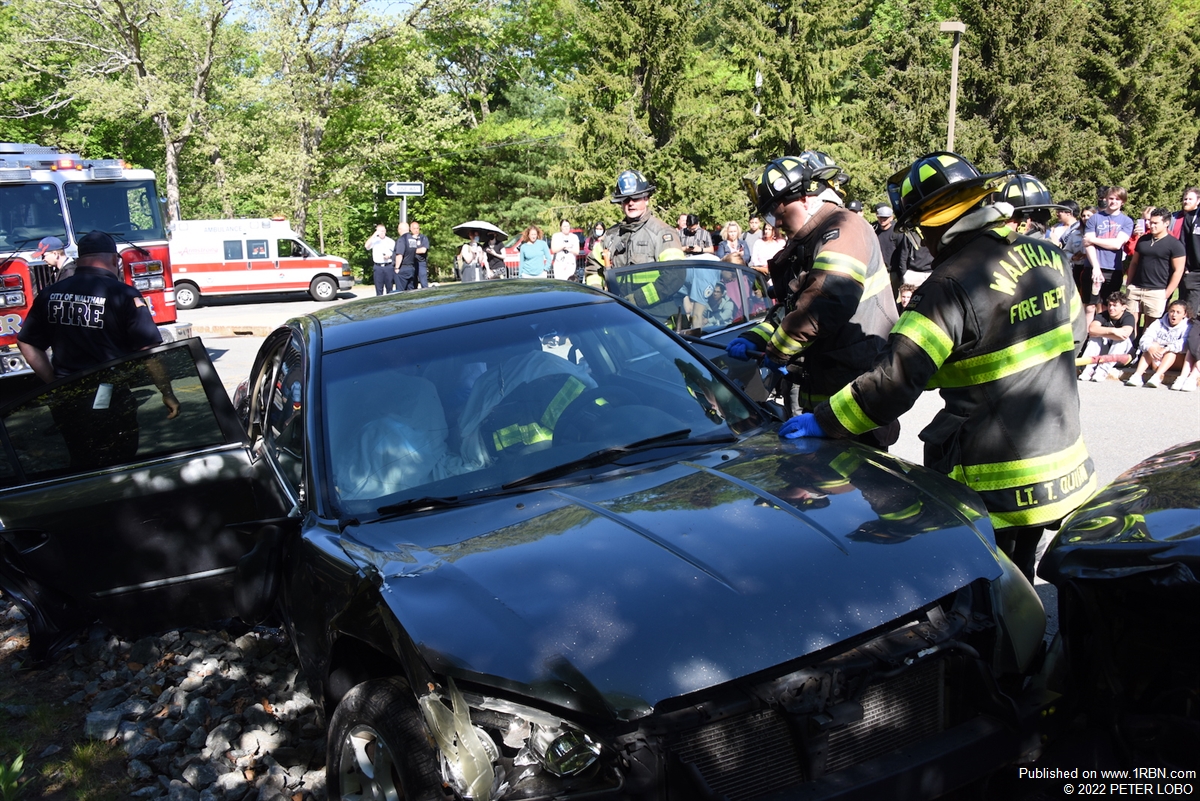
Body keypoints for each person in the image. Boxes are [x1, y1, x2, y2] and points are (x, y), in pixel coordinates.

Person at [784, 151, 1096, 581]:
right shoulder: (1050, 257)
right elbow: (1075, 338)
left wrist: (825, 420)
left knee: (986, 595)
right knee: (1022, 580)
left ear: (932, 225)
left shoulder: (948, 286)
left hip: (994, 482)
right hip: (1064, 466)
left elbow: (894, 382)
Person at [725, 151, 898, 445]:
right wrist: (756, 338)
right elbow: (792, 309)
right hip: (825, 393)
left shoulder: (844, 228)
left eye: (779, 214)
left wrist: (777, 351)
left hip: (856, 394)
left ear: (806, 197)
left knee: (856, 484)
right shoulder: (811, 240)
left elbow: (825, 301)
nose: (776, 225)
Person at [17, 231, 180, 468]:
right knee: (119, 462)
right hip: (111, 399)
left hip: (67, 398)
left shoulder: (49, 294)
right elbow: (148, 351)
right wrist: (167, 391)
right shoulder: (123, 294)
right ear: (115, 260)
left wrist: (54, 382)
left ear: (80, 258)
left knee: (81, 461)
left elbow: (26, 341)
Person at [588, 170, 684, 299]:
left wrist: (637, 300)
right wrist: (598, 296)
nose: (630, 203)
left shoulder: (663, 233)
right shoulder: (611, 236)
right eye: (625, 199)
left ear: (646, 199)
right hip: (619, 310)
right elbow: (593, 266)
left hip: (656, 314)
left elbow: (675, 276)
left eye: (636, 197)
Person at [1125, 207, 1185, 333]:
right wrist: (1129, 284)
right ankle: (1131, 349)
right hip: (1135, 288)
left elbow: (1178, 271)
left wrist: (1167, 293)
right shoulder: (1143, 240)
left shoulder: (1175, 245)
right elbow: (1134, 263)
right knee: (1130, 322)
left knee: (1150, 327)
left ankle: (1143, 351)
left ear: (1166, 223)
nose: (1151, 225)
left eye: (1155, 223)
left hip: (1157, 290)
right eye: (1150, 222)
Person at [1083, 186, 1134, 319]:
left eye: (1117, 199)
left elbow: (1117, 244)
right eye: (1111, 198)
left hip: (1113, 268)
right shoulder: (1094, 218)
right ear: (1106, 199)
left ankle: (1104, 336)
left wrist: (1094, 239)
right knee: (1089, 306)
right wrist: (1095, 267)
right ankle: (1087, 338)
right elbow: (1088, 245)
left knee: (1109, 306)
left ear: (1123, 202)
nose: (1113, 201)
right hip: (1093, 267)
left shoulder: (1127, 221)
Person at [1125, 300, 1190, 387]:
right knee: (1150, 346)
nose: (1174, 315)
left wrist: (1166, 349)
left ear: (1184, 314)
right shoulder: (1158, 323)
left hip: (1175, 360)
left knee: (1171, 352)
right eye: (1172, 311)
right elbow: (1145, 337)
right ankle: (1137, 376)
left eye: (1178, 312)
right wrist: (1150, 347)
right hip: (1157, 358)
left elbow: (1184, 344)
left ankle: (1157, 377)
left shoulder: (1188, 326)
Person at [1079, 291, 1136, 382]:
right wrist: (1113, 330)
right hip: (1104, 354)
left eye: (1115, 305)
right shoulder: (1103, 315)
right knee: (1094, 338)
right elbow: (1092, 329)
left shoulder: (1128, 317)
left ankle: (1102, 371)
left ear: (1123, 307)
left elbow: (1124, 335)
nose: (1111, 308)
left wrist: (1101, 331)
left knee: (1120, 341)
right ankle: (1088, 368)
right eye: (1110, 305)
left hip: (1123, 358)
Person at [1169, 187, 1200, 313]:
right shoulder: (1191, 217)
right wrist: (1184, 266)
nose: (1186, 201)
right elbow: (1183, 244)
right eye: (1185, 198)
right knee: (1189, 309)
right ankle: (1188, 332)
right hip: (1193, 272)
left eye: (1190, 198)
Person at [873, 204, 906, 293]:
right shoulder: (874, 230)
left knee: (892, 297)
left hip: (893, 272)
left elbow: (902, 253)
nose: (882, 220)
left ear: (891, 218)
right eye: (880, 217)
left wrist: (901, 273)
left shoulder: (897, 232)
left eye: (885, 218)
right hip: (878, 271)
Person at [394, 221, 429, 290]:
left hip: (419, 263)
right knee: (412, 286)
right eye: (414, 228)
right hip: (412, 263)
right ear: (410, 229)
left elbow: (423, 250)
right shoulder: (411, 238)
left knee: (423, 283)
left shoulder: (422, 238)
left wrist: (396, 267)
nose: (416, 230)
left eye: (417, 228)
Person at [365, 224, 396, 295]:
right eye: (379, 231)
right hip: (378, 267)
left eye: (383, 231)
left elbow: (396, 252)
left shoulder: (390, 241)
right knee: (379, 289)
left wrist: (389, 256)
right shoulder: (374, 240)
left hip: (388, 266)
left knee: (389, 288)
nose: (382, 233)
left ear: (385, 231)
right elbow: (366, 246)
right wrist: (374, 235)